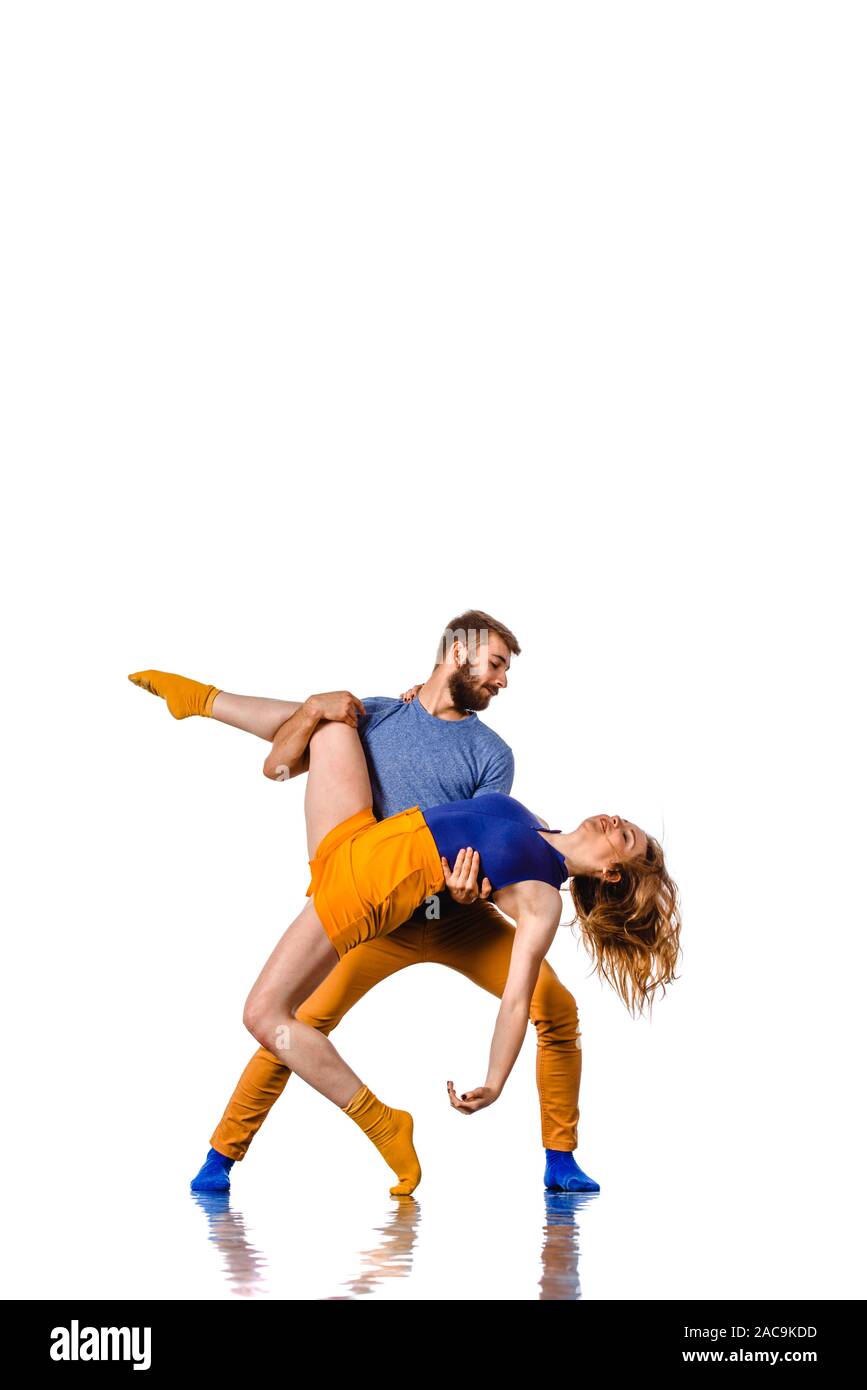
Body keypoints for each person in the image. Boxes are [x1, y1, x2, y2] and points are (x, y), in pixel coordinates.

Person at [135, 675, 679, 1197]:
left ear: (611, 873)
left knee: (553, 1007)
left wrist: (493, 1081)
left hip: (404, 902)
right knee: (333, 718)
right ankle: (222, 1155)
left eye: (623, 834)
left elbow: (516, 998)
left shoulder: (538, 889)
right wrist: (411, 709)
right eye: (620, 820)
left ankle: (557, 1159)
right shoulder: (522, 811)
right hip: (362, 858)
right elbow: (471, 821)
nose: (613, 820)